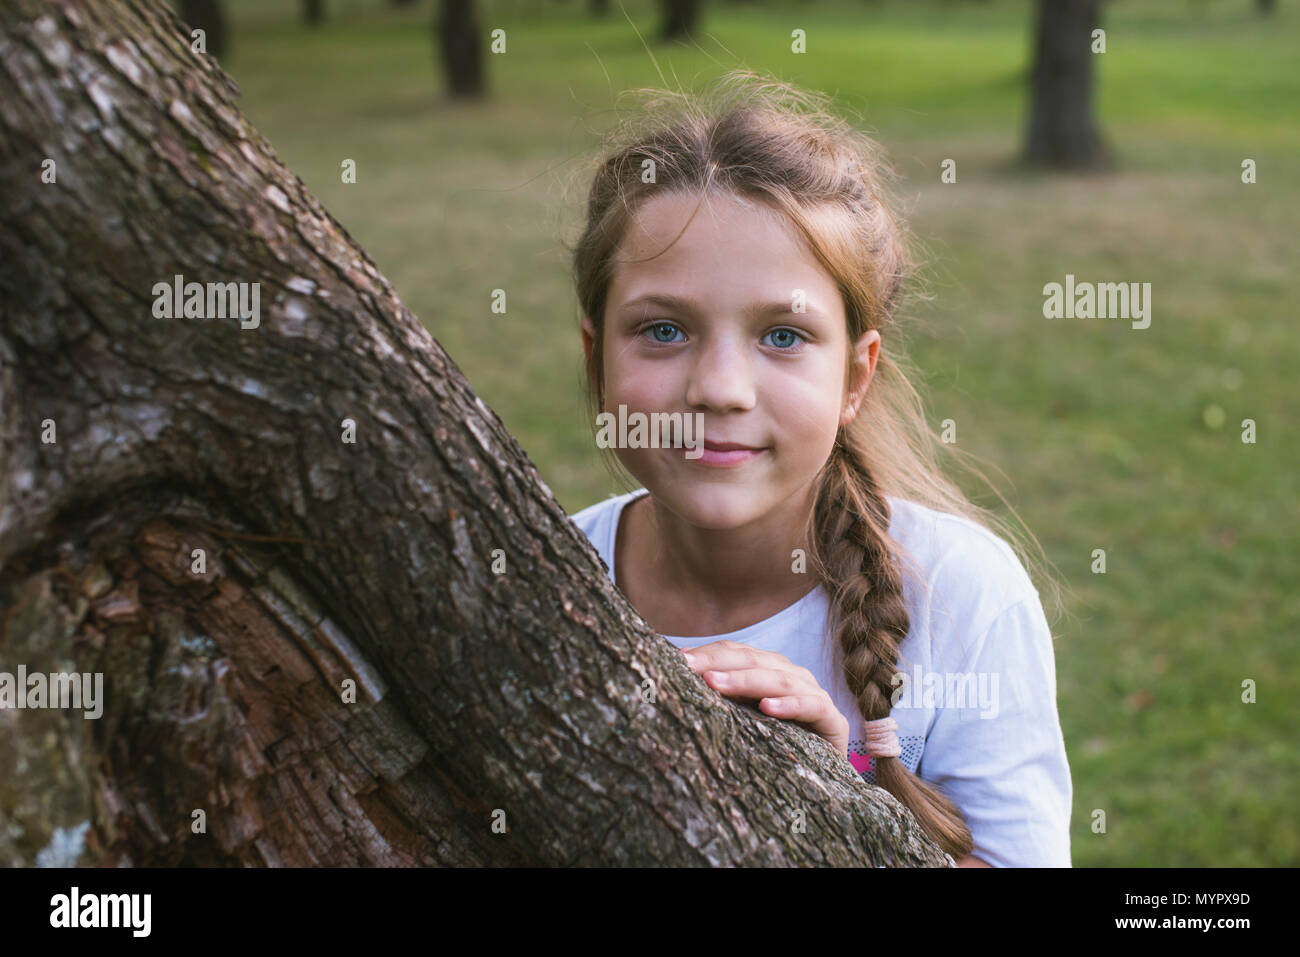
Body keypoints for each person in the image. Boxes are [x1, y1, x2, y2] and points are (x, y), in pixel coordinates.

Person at [566, 70, 1072, 867]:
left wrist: (826, 796)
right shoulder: (552, 575)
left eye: (783, 336)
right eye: (663, 330)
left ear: (855, 377)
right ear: (597, 360)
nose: (719, 389)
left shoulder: (961, 597)